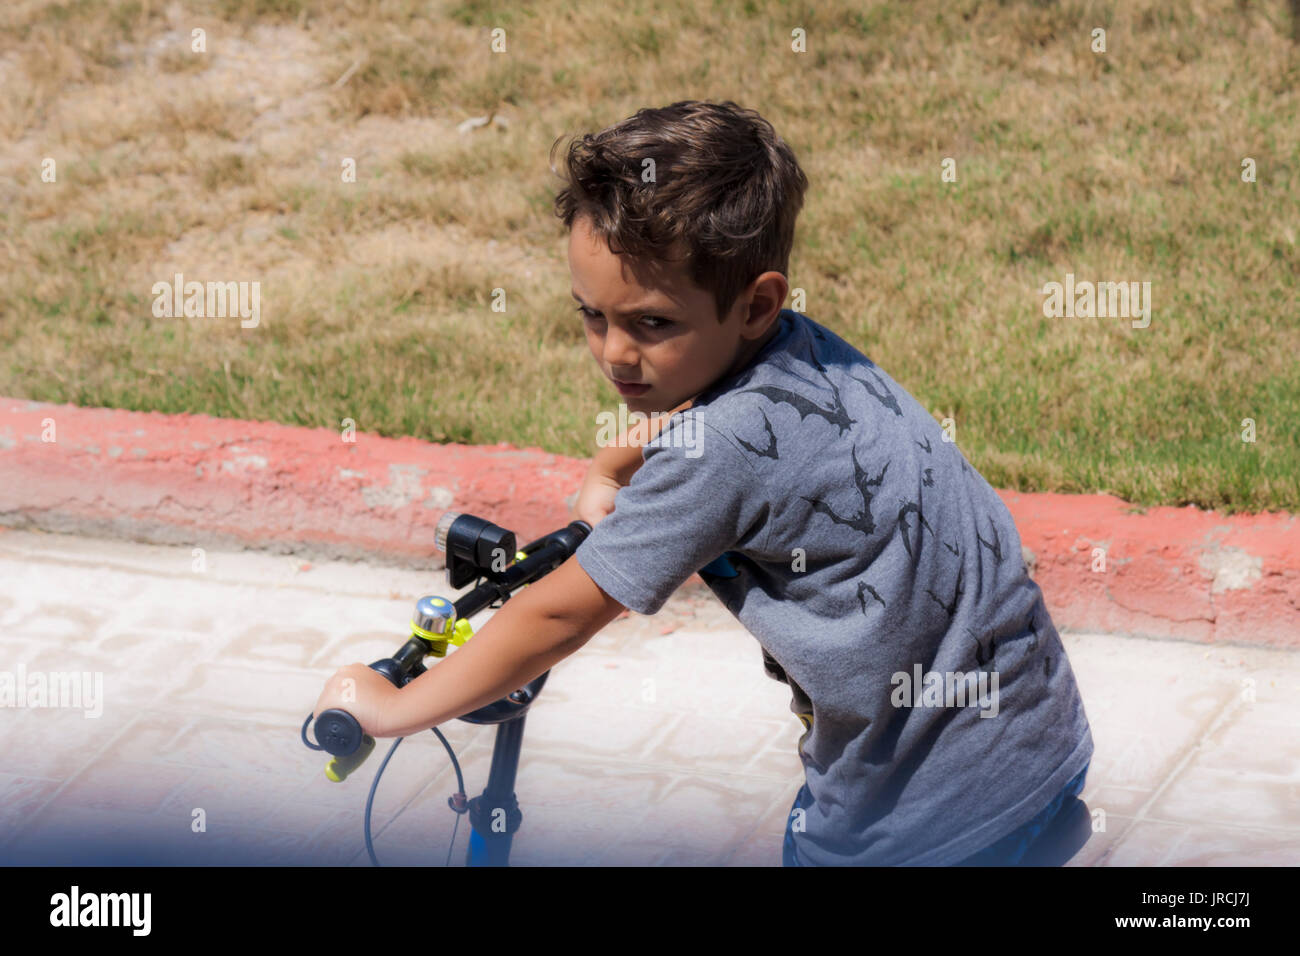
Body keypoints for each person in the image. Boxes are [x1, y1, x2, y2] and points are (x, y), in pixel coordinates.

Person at [313, 100, 1094, 866]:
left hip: (925, 820)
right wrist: (614, 469)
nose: (616, 354)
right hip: (1039, 744)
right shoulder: (804, 352)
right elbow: (750, 433)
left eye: (651, 324)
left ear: (756, 303)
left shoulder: (715, 453)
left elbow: (558, 615)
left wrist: (394, 708)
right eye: (591, 316)